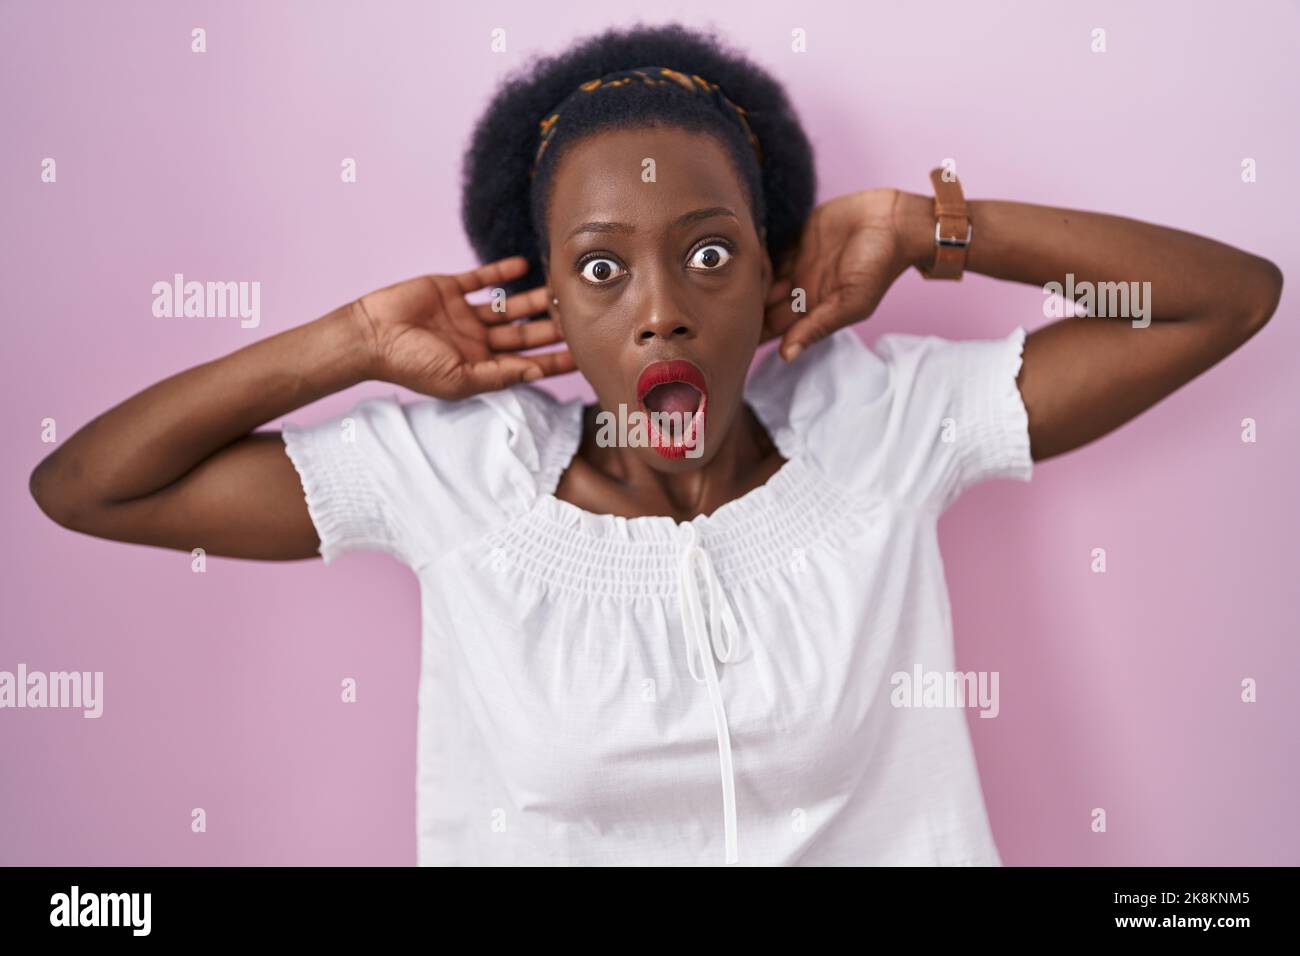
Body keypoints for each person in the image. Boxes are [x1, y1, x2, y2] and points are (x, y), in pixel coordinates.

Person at [30, 23, 1282, 866]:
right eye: (599, 268)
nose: (661, 306)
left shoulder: (883, 423)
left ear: (770, 272)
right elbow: (84, 484)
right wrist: (350, 339)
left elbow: (1225, 299)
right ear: (549, 304)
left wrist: (924, 226)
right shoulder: (457, 478)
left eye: (706, 251)